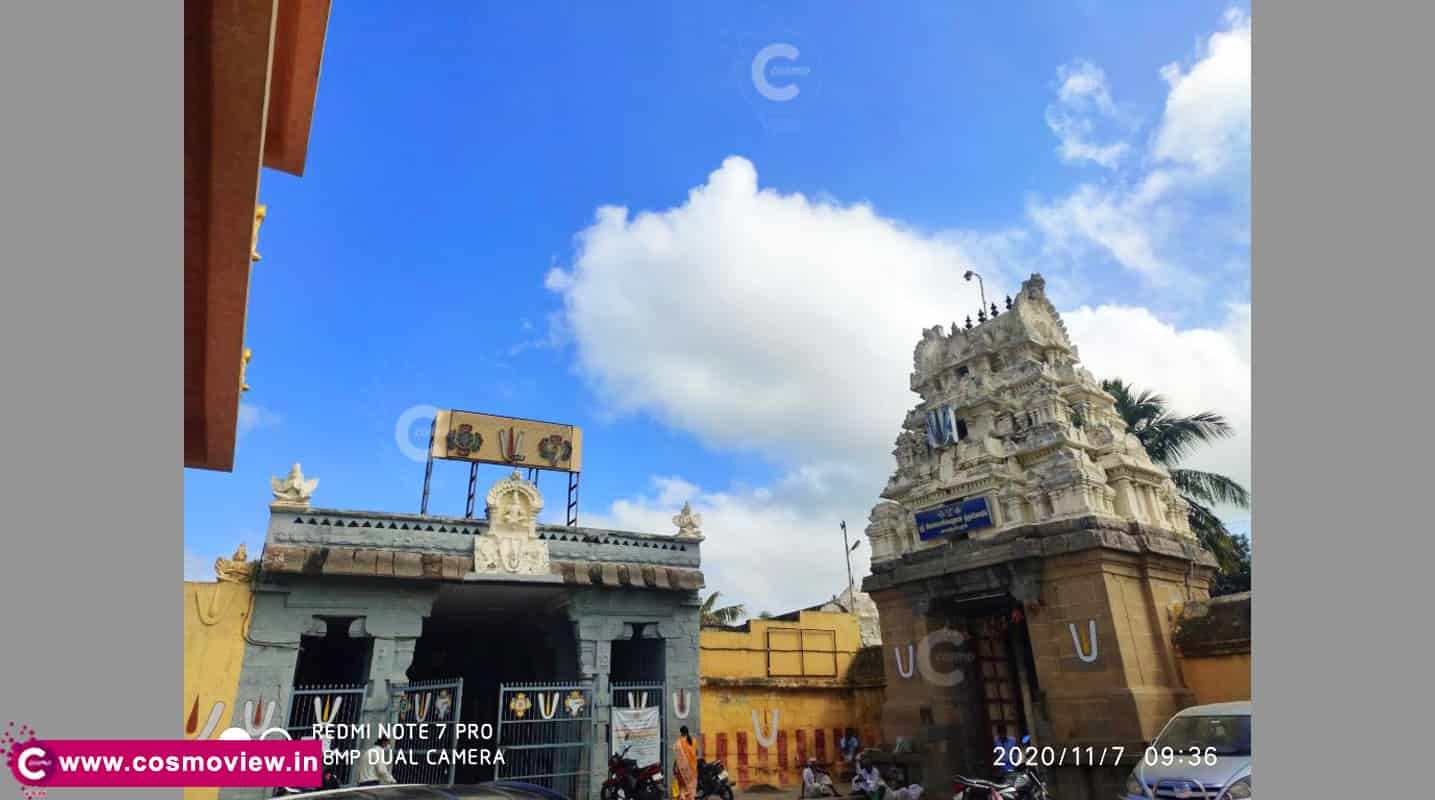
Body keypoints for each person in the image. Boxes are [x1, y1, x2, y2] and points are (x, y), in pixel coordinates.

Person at [673, 725, 699, 800]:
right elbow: (696, 753)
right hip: (692, 769)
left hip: (682, 770)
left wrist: (674, 768)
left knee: (682, 788)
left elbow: (677, 758)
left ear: (681, 732)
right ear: (687, 732)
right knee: (691, 789)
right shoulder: (693, 741)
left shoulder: (678, 743)